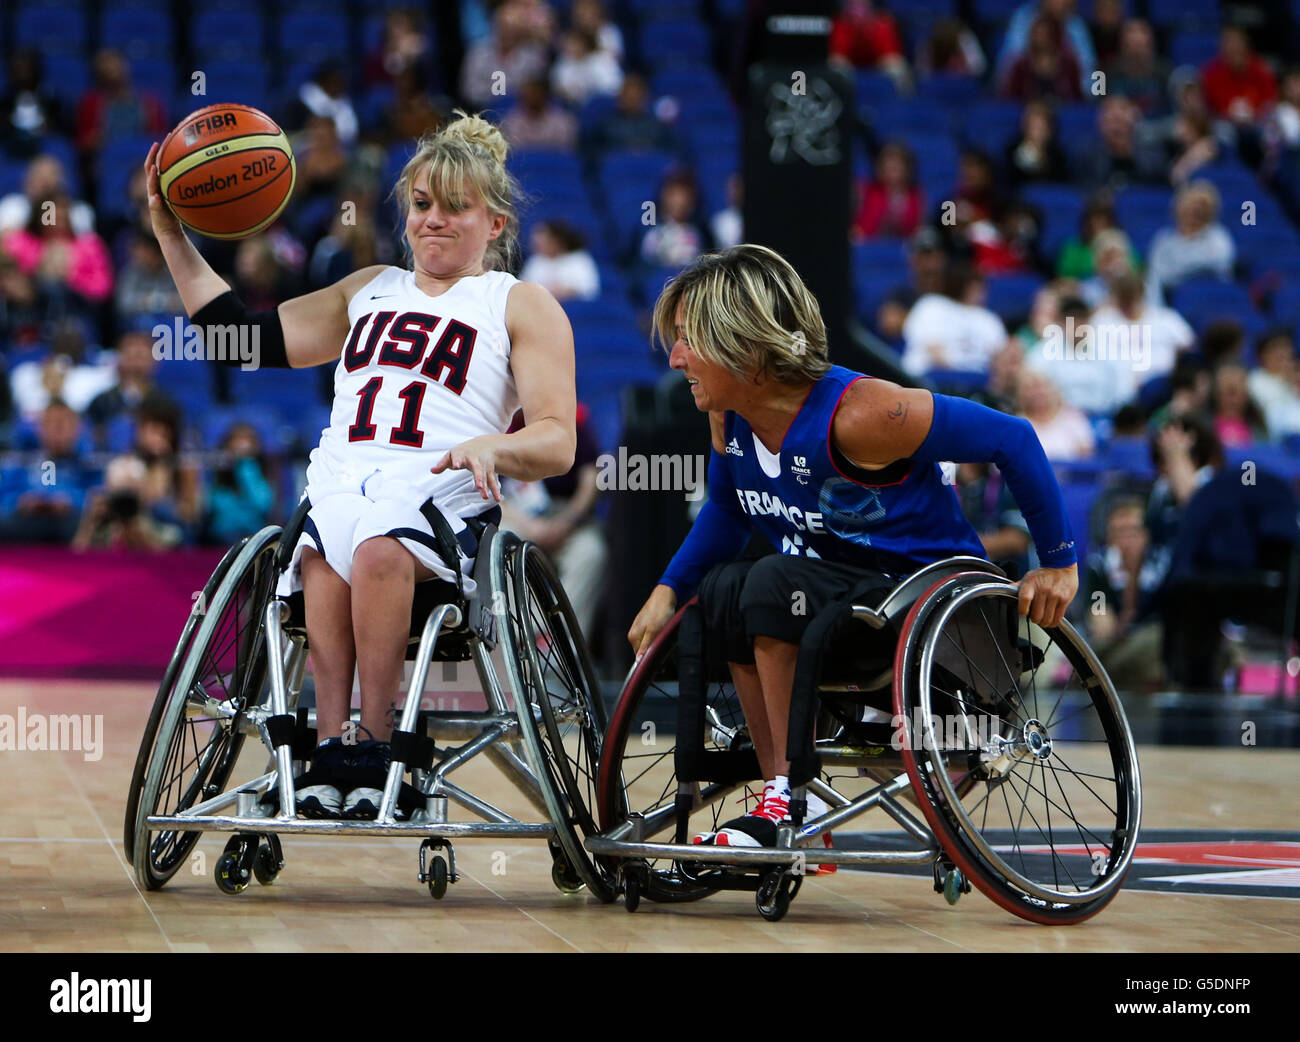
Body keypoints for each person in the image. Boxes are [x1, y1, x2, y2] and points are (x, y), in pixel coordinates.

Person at [143, 111, 578, 819]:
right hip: (346, 479)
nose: (433, 219)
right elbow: (233, 338)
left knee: (376, 546)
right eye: (422, 203)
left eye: (456, 207)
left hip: (441, 494)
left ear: (495, 223)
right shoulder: (369, 287)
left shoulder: (518, 303)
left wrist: (494, 447)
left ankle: (377, 745)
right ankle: (328, 746)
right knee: (324, 551)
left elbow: (557, 441)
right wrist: (170, 233)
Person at [626, 244, 1079, 851]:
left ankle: (789, 797)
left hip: (927, 616)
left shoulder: (862, 414)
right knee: (725, 588)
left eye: (688, 338)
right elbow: (729, 511)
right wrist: (667, 591)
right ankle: (785, 795)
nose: (676, 357)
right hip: (831, 607)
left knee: (769, 580)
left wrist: (1059, 563)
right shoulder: (728, 417)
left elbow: (1014, 438)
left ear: (743, 343)